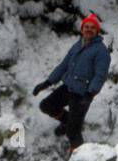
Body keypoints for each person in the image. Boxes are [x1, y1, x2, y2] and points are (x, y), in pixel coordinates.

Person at [32, 13, 110, 152]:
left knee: (73, 132)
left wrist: (90, 94)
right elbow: (63, 65)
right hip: (68, 87)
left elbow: (100, 75)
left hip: (82, 94)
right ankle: (67, 122)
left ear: (97, 31)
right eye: (86, 26)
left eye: (93, 27)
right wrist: (47, 83)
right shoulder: (77, 45)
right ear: (82, 29)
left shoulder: (101, 51)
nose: (89, 29)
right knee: (47, 106)